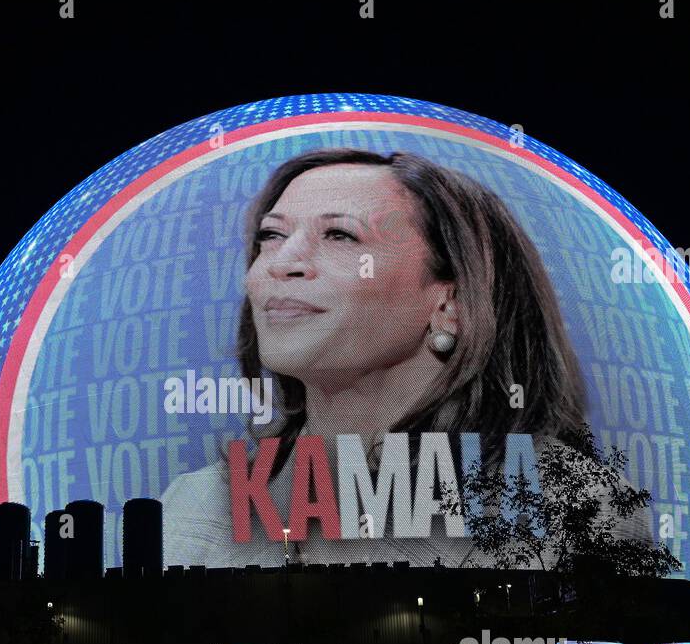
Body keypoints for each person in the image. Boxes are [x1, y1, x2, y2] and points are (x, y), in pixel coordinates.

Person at [162, 147, 646, 567]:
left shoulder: (575, 502)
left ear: (449, 304)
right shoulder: (198, 508)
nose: (280, 263)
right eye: (272, 236)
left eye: (339, 236)